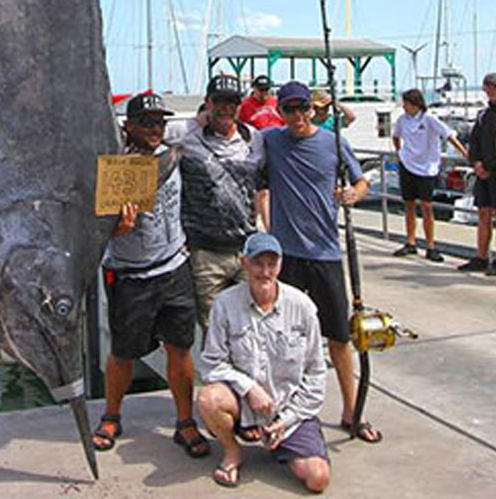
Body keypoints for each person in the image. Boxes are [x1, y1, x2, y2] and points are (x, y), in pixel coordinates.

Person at [257, 81, 380, 444]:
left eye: (302, 108)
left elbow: (362, 183)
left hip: (326, 254)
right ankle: (282, 411)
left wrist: (352, 194)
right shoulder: (270, 141)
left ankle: (353, 411)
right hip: (287, 257)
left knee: (339, 337)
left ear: (312, 109)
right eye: (289, 109)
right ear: (280, 112)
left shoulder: (334, 142)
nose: (297, 115)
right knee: (282, 339)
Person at [90, 92, 209, 458]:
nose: (155, 129)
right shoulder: (113, 167)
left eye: (159, 122)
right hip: (130, 274)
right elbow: (99, 229)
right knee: (123, 352)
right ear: (128, 126)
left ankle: (185, 421)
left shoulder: (172, 156)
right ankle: (111, 416)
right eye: (146, 122)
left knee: (180, 347)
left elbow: (208, 123)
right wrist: (119, 228)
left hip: (174, 268)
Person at [197, 233, 331, 492]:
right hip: (245, 404)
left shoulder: (303, 306)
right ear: (243, 263)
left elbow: (316, 373)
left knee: (318, 479)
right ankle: (233, 451)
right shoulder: (225, 304)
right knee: (208, 399)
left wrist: (286, 420)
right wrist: (249, 388)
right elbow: (211, 364)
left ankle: (282, 443)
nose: (265, 272)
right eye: (258, 264)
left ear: (281, 264)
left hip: (287, 408)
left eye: (272, 264)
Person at [180, 74, 263, 329]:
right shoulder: (185, 135)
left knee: (252, 325)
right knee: (214, 329)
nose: (226, 108)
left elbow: (264, 188)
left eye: (232, 102)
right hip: (206, 254)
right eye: (219, 101)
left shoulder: (255, 139)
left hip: (246, 250)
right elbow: (143, 134)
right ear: (207, 102)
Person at [390, 88, 467, 262]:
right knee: (409, 204)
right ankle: (411, 242)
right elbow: (396, 135)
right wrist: (400, 152)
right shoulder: (402, 119)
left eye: (406, 103)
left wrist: (464, 152)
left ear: (415, 104)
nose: (404, 106)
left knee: (426, 206)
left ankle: (430, 245)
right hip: (407, 164)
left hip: (426, 167)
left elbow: (448, 135)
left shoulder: (429, 118)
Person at [457, 73, 496, 276]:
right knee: (483, 214)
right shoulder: (483, 114)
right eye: (487, 86)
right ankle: (481, 256)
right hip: (482, 171)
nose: (491, 89)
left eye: (494, 86)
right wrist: (477, 163)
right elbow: (475, 141)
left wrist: (492, 166)